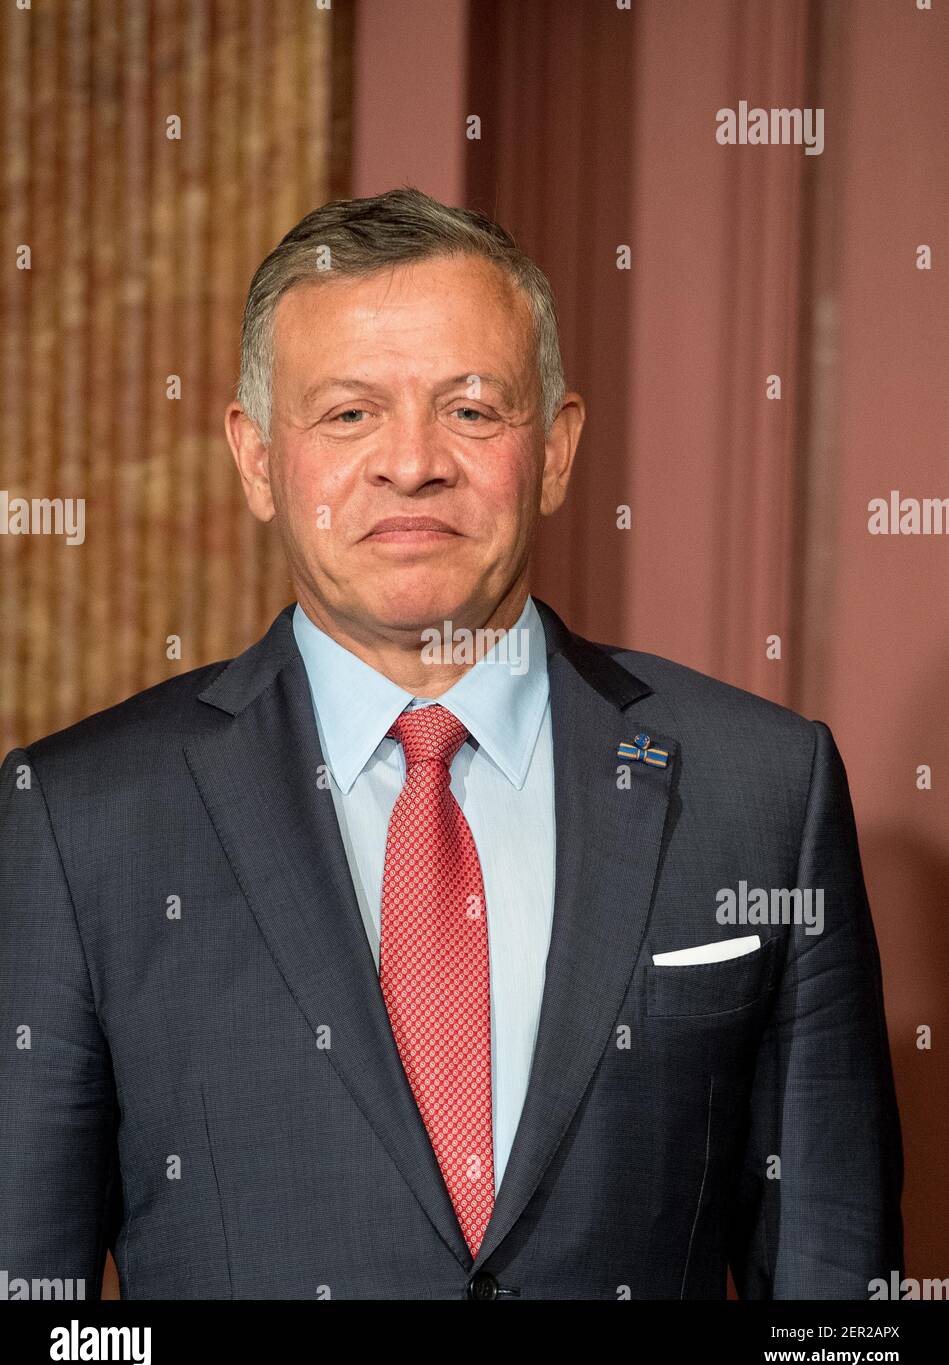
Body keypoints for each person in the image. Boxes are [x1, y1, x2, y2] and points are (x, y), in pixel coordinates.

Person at [0, 187, 903, 1300]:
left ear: (559, 448)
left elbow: (832, 1288)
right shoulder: (80, 818)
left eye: (472, 410)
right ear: (254, 457)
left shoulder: (762, 790)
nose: (412, 462)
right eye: (348, 414)